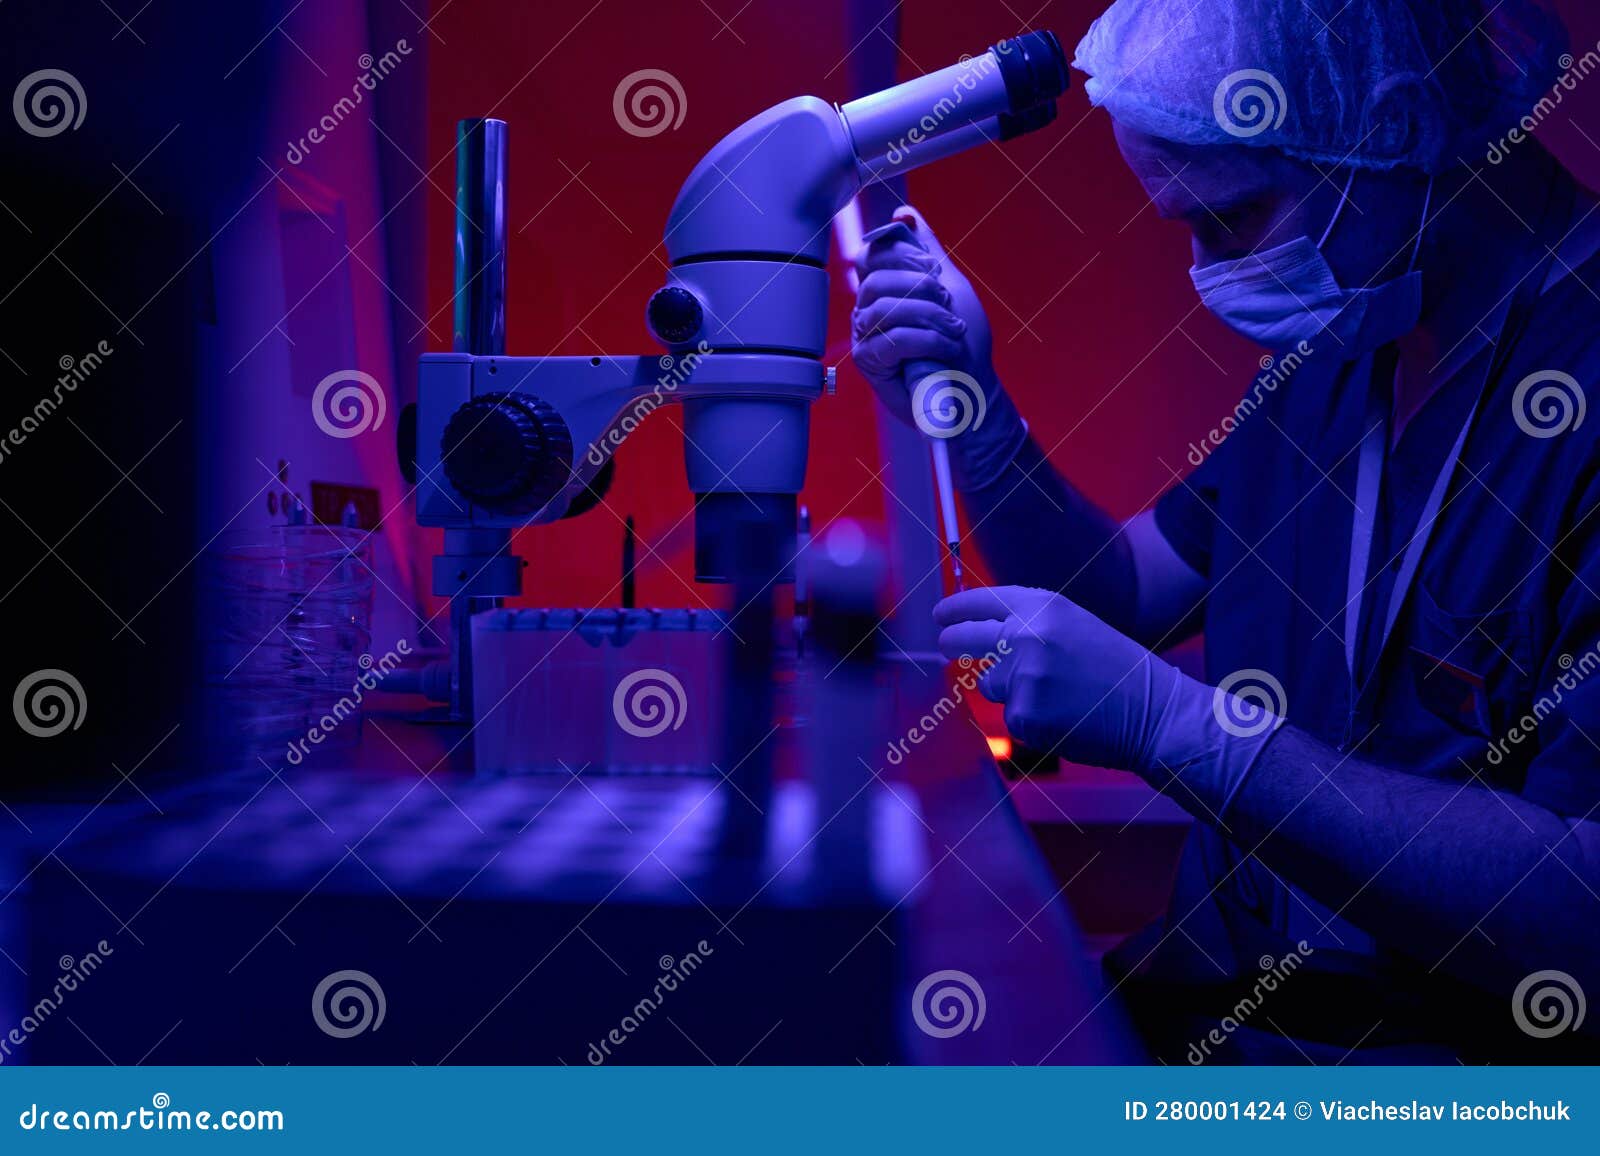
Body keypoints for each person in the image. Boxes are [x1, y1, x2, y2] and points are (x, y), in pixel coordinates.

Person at [852, 0, 1600, 1063]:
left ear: (1390, 124)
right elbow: (1121, 591)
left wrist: (1183, 733)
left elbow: (1581, 915)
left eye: (1234, 217)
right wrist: (978, 416)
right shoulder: (1348, 346)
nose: (1208, 271)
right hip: (1220, 1026)